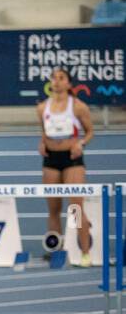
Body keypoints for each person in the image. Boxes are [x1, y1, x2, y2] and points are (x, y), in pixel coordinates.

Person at [38, 67, 95, 266]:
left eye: (61, 78)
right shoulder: (42, 107)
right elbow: (44, 131)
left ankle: (85, 253)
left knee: (75, 207)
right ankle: (56, 251)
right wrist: (42, 142)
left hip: (72, 159)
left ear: (69, 84)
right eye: (54, 78)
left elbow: (89, 131)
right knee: (53, 208)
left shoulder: (78, 106)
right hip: (51, 160)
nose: (57, 81)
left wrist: (81, 144)